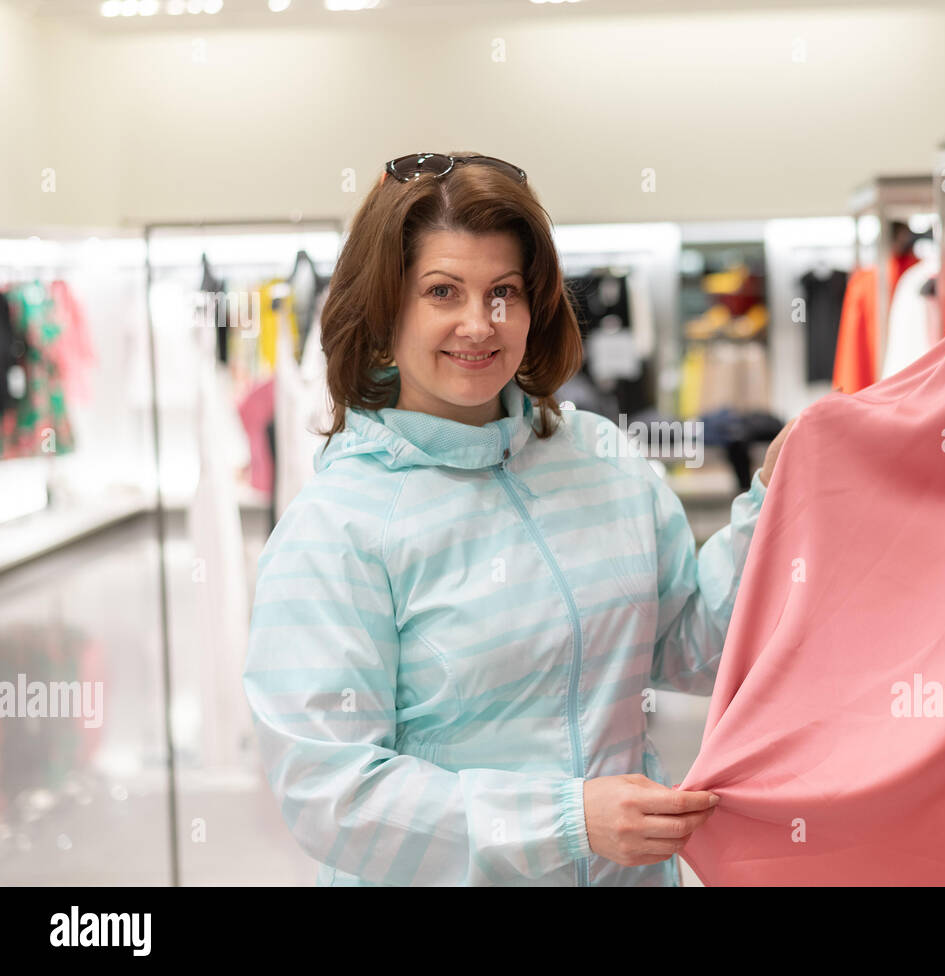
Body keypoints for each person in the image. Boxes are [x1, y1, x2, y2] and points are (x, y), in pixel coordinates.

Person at [242, 151, 795, 886]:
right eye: (443, 291)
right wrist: (568, 820)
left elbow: (687, 646)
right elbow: (331, 792)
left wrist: (774, 498)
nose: (480, 323)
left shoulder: (600, 457)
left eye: (503, 291)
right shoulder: (338, 530)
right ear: (384, 310)